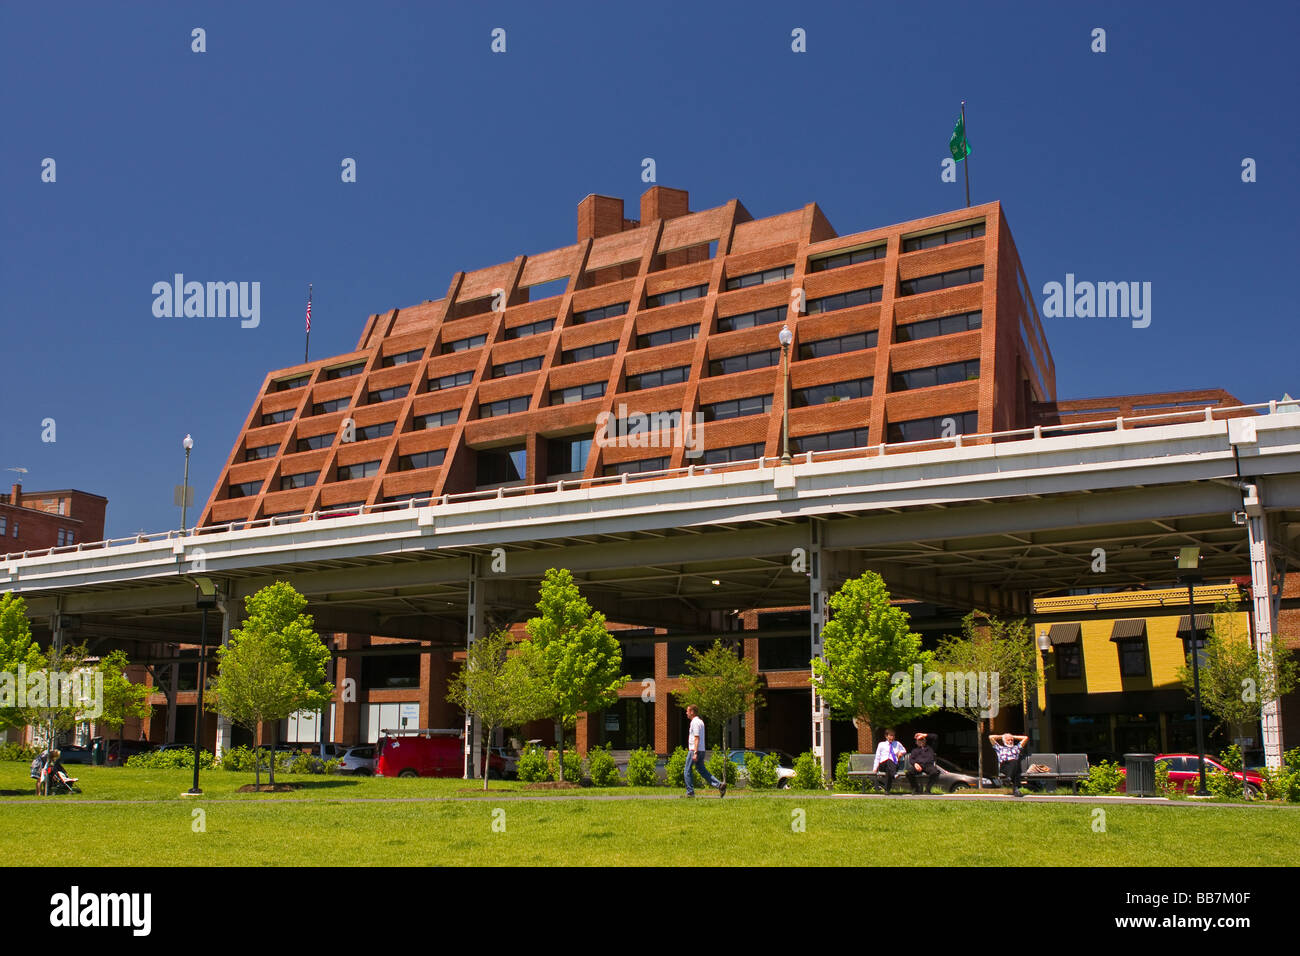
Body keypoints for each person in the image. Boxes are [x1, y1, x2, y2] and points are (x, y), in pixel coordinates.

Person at [684, 705, 726, 798]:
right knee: (702, 770)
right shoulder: (701, 722)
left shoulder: (694, 722)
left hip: (694, 750)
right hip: (701, 750)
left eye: (687, 711)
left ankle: (690, 792)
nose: (686, 713)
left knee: (687, 770)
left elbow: (696, 737)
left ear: (692, 712)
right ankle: (719, 785)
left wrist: (695, 752)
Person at [991, 732, 1030, 797]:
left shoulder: (1016, 748)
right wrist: (1003, 736)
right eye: (1008, 740)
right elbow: (991, 737)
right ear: (1004, 741)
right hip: (1004, 766)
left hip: (1014, 766)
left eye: (1011, 740)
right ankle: (1015, 788)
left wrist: (1013, 736)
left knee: (1014, 763)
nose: (1010, 741)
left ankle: (1009, 779)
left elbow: (1025, 738)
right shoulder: (999, 748)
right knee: (1015, 765)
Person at [872, 728, 908, 793]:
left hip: (893, 765)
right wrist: (875, 768)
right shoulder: (881, 744)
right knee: (888, 760)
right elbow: (877, 757)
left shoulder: (897, 743)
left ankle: (887, 790)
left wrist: (900, 753)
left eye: (893, 736)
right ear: (886, 736)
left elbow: (904, 750)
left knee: (889, 769)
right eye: (890, 735)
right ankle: (894, 774)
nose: (892, 737)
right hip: (883, 764)